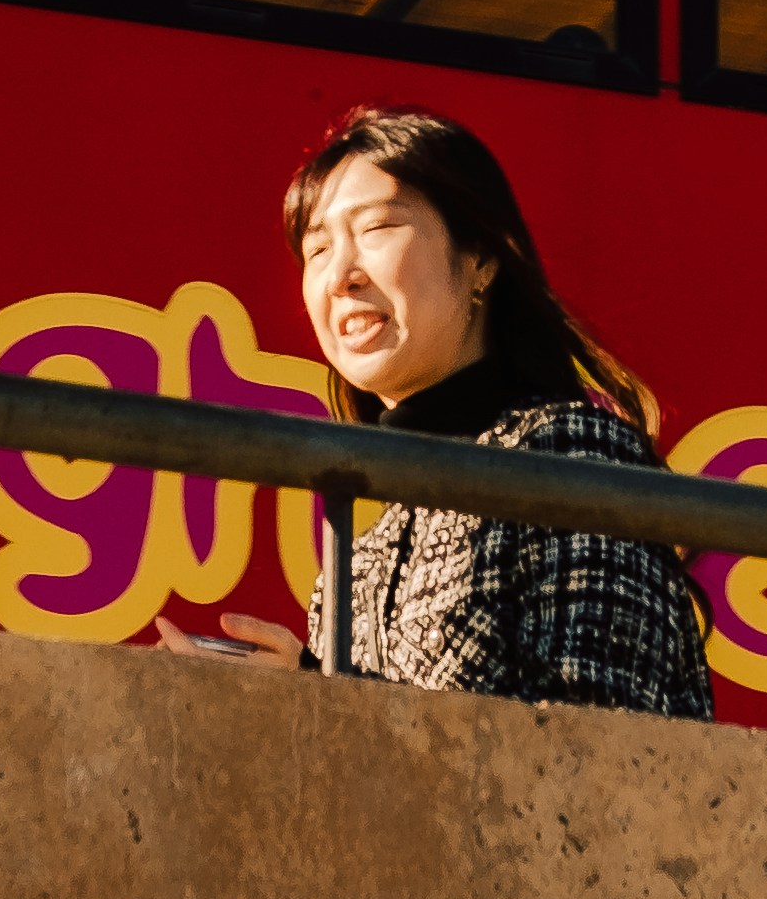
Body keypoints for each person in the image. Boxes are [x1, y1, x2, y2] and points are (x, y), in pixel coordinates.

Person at [197, 104, 713, 719]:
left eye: (377, 228)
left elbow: (602, 745)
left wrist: (328, 702)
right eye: (316, 249)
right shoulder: (355, 562)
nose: (340, 275)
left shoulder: (571, 454)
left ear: (481, 259)